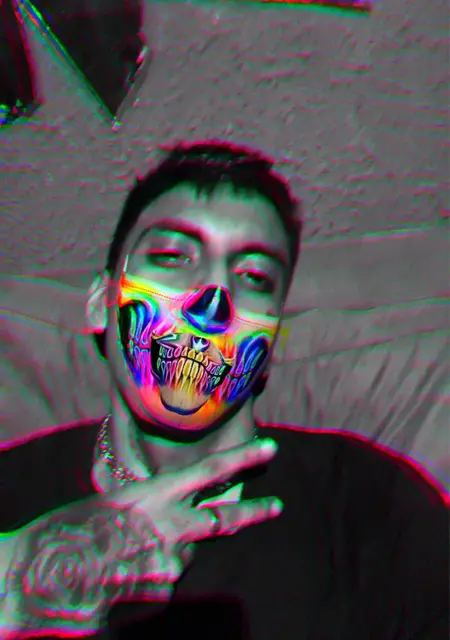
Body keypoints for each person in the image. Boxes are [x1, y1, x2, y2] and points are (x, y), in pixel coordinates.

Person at [0, 140, 448, 640]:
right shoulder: (10, 495)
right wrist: (19, 587)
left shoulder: (367, 505)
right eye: (172, 257)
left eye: (254, 278)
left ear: (270, 345)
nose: (212, 304)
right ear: (99, 303)